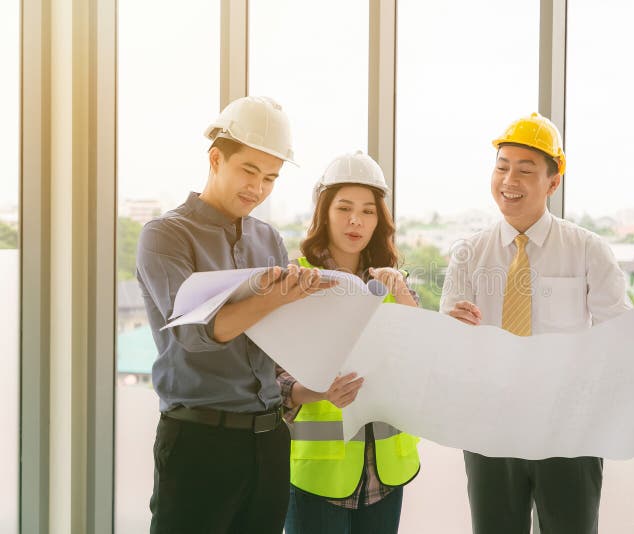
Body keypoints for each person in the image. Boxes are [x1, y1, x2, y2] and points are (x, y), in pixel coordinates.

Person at [440, 113, 634, 534]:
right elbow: (448, 342)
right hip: (491, 428)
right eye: (502, 167)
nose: (509, 179)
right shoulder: (468, 253)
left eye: (525, 169)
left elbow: (622, 331)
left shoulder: (588, 250)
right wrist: (451, 329)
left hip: (570, 428)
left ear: (553, 183)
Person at [137, 96, 331, 534]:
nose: (258, 188)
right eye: (249, 171)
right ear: (215, 158)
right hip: (199, 440)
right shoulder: (167, 236)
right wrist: (275, 297)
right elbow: (194, 334)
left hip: (268, 438)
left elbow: (280, 336)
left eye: (270, 178)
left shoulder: (268, 239)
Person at [277, 151, 421, 534]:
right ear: (324, 213)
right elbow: (271, 379)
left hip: (385, 476)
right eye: (344, 208)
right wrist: (316, 391)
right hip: (318, 477)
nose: (356, 220)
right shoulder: (297, 280)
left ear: (380, 220)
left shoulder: (393, 283)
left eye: (368, 211)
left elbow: (426, 362)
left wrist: (406, 298)